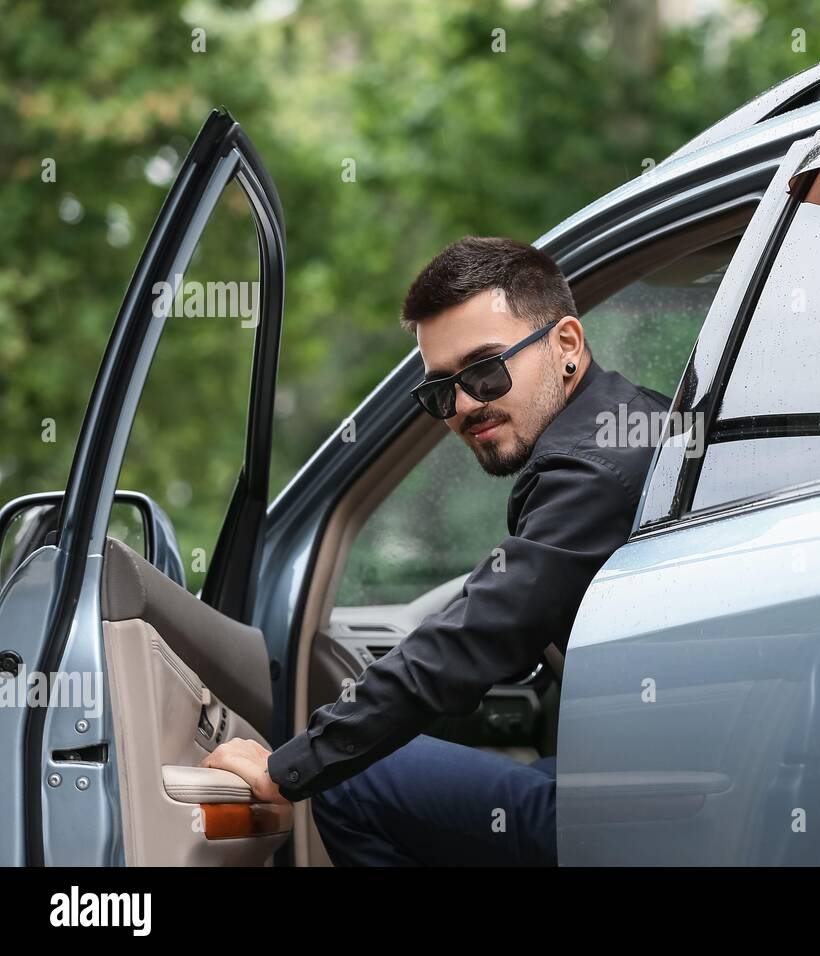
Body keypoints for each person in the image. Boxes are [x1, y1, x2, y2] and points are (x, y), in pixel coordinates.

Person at [201, 236, 670, 865]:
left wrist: (289, 767)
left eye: (485, 369)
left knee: (355, 784)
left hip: (655, 810)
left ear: (565, 344)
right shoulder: (626, 422)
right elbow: (504, 610)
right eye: (441, 391)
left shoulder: (590, 470)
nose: (466, 404)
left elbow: (477, 635)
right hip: (660, 779)